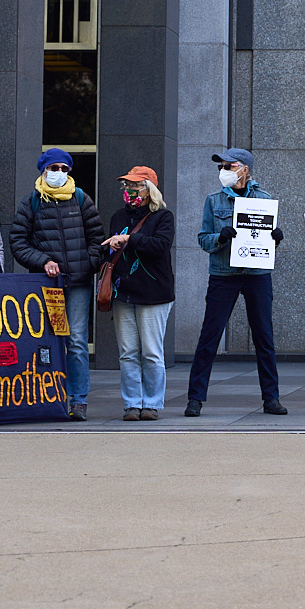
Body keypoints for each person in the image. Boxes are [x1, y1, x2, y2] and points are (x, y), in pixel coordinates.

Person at [187, 148, 285, 417]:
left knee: (264, 337)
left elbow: (266, 244)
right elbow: (203, 239)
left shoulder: (264, 199)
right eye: (222, 166)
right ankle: (195, 398)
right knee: (210, 336)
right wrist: (221, 236)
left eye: (229, 166)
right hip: (223, 274)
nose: (224, 171)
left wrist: (274, 238)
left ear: (245, 169)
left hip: (256, 276)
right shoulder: (213, 200)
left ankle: (271, 398)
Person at [11, 147, 102, 421]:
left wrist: (88, 264)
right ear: (43, 170)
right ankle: (47, 396)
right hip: (45, 285)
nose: (59, 173)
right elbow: (18, 242)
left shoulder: (81, 199)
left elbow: (97, 237)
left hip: (78, 283)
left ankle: (78, 400)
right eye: (54, 168)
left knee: (75, 341)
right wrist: (43, 261)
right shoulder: (31, 203)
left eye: (64, 169)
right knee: (46, 342)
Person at [103, 167, 176, 421]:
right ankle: (132, 404)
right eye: (127, 187)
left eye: (135, 187)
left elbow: (160, 247)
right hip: (124, 292)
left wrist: (127, 240)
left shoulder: (163, 217)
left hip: (154, 293)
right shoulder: (118, 216)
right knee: (128, 353)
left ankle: (152, 403)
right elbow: (111, 251)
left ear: (150, 190)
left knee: (152, 353)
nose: (130, 191)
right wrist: (110, 247)